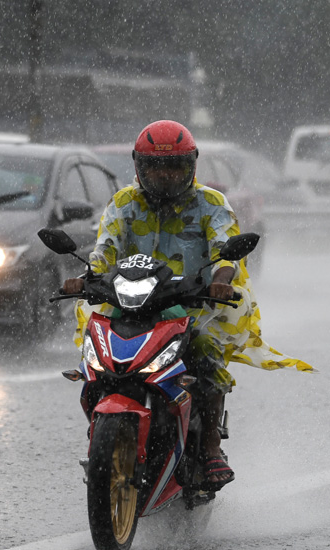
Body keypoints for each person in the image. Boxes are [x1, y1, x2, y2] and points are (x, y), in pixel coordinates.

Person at [62, 120, 313, 490]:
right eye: (155, 167)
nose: (165, 175)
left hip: (194, 307)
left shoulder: (211, 203)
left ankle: (210, 446)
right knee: (97, 360)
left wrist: (221, 281)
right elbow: (105, 250)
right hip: (129, 304)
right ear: (138, 166)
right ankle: (102, 432)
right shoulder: (123, 203)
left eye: (175, 166)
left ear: (192, 165)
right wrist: (85, 278)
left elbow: (226, 251)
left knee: (205, 353)